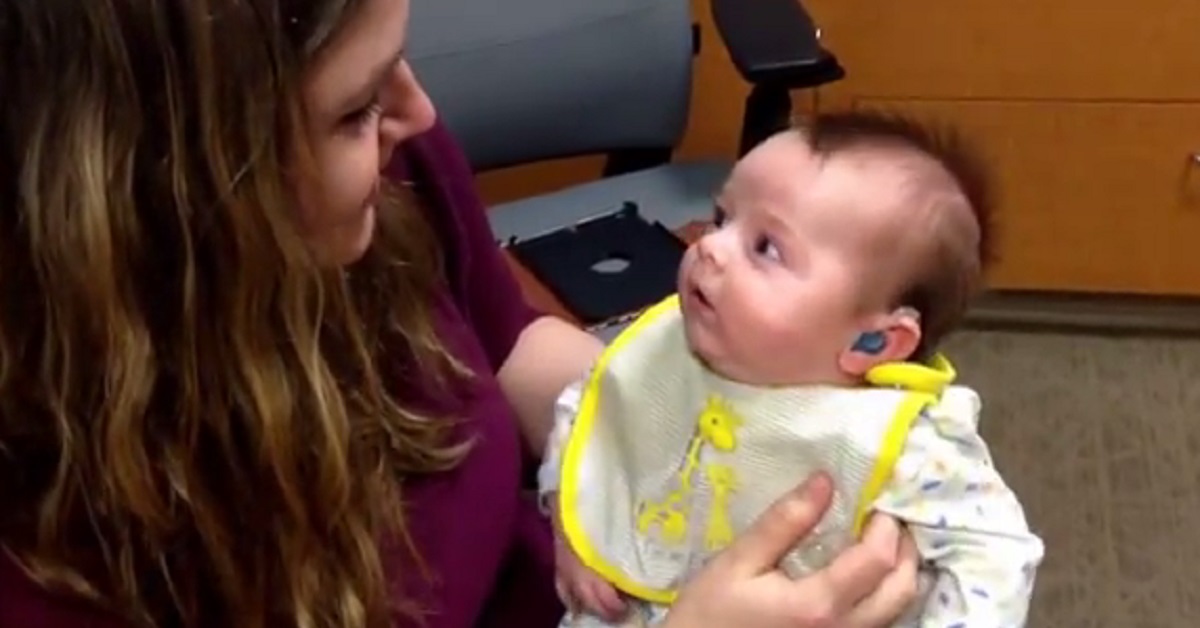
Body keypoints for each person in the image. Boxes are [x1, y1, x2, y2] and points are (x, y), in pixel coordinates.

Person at [0, 1, 919, 627]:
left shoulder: (396, 180)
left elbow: (506, 342)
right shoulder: (50, 549)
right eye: (354, 110)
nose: (422, 110)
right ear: (167, 192)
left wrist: (734, 431)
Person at [541, 114, 1045, 627]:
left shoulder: (907, 447)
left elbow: (996, 554)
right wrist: (573, 523)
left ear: (873, 340)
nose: (709, 245)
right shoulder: (665, 345)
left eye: (766, 247)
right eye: (721, 217)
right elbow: (587, 414)